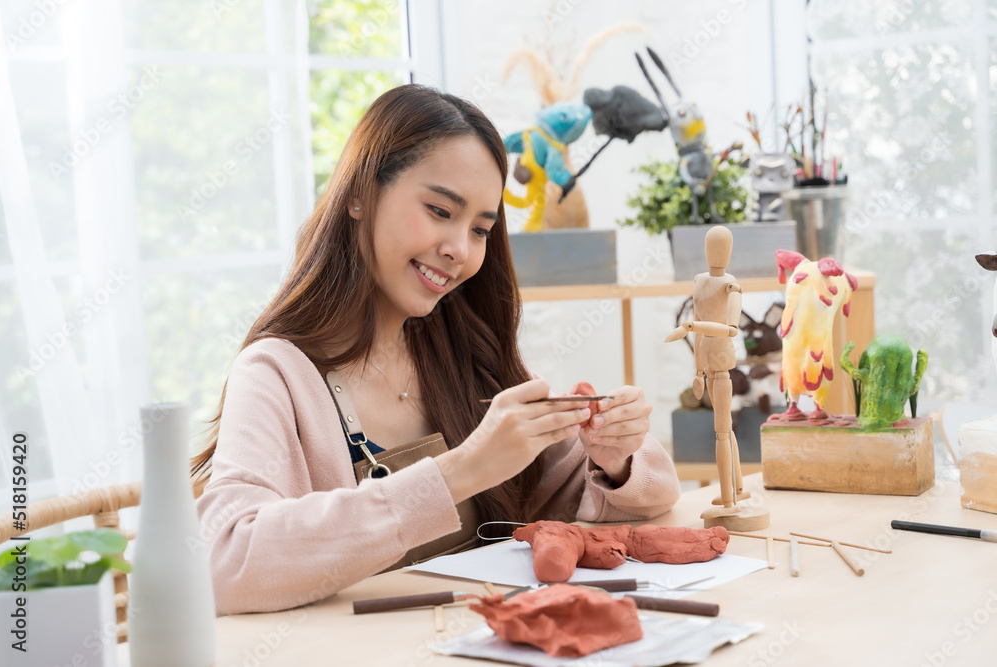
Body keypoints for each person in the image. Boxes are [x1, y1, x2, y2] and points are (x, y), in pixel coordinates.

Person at [191, 84, 681, 616]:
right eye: (439, 210)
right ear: (360, 195)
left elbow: (635, 498)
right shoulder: (275, 373)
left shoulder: (467, 356)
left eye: (480, 229)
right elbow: (226, 560)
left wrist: (614, 457)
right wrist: (461, 471)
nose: (461, 251)